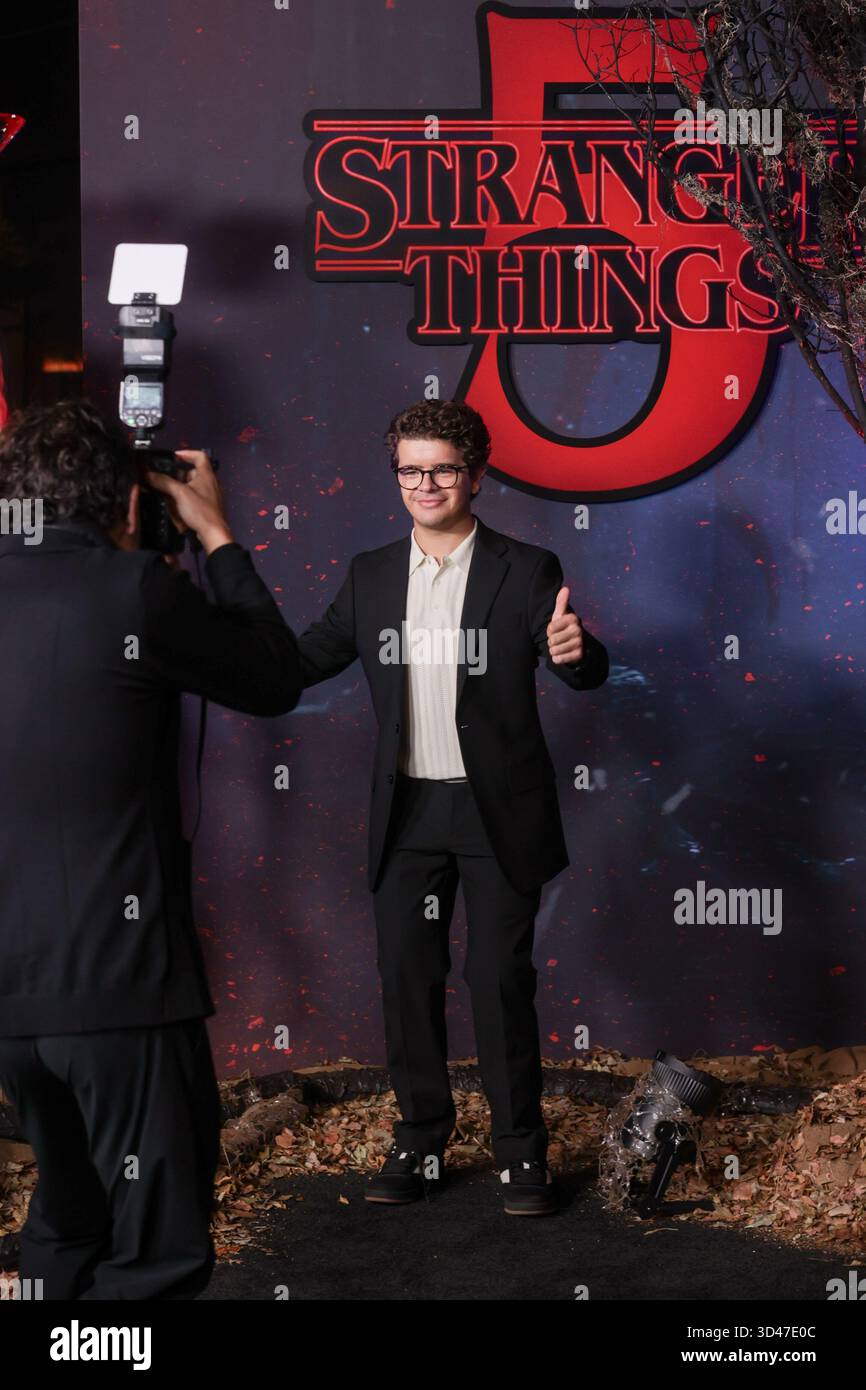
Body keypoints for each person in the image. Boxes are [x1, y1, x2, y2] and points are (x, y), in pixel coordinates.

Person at [0, 399, 302, 1298]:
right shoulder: (137, 592)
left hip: (11, 1005)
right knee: (155, 1258)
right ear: (129, 508)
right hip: (121, 988)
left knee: (65, 1216)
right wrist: (216, 536)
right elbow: (275, 677)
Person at [297, 399, 608, 1216]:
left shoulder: (526, 567)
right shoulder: (369, 575)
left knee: (496, 979)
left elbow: (579, 662)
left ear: (474, 473)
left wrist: (579, 654)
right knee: (407, 979)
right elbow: (300, 660)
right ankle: (421, 1141)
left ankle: (520, 1157)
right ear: (396, 475)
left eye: (441, 468)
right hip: (407, 815)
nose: (425, 483)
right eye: (410, 469)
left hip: (496, 813)